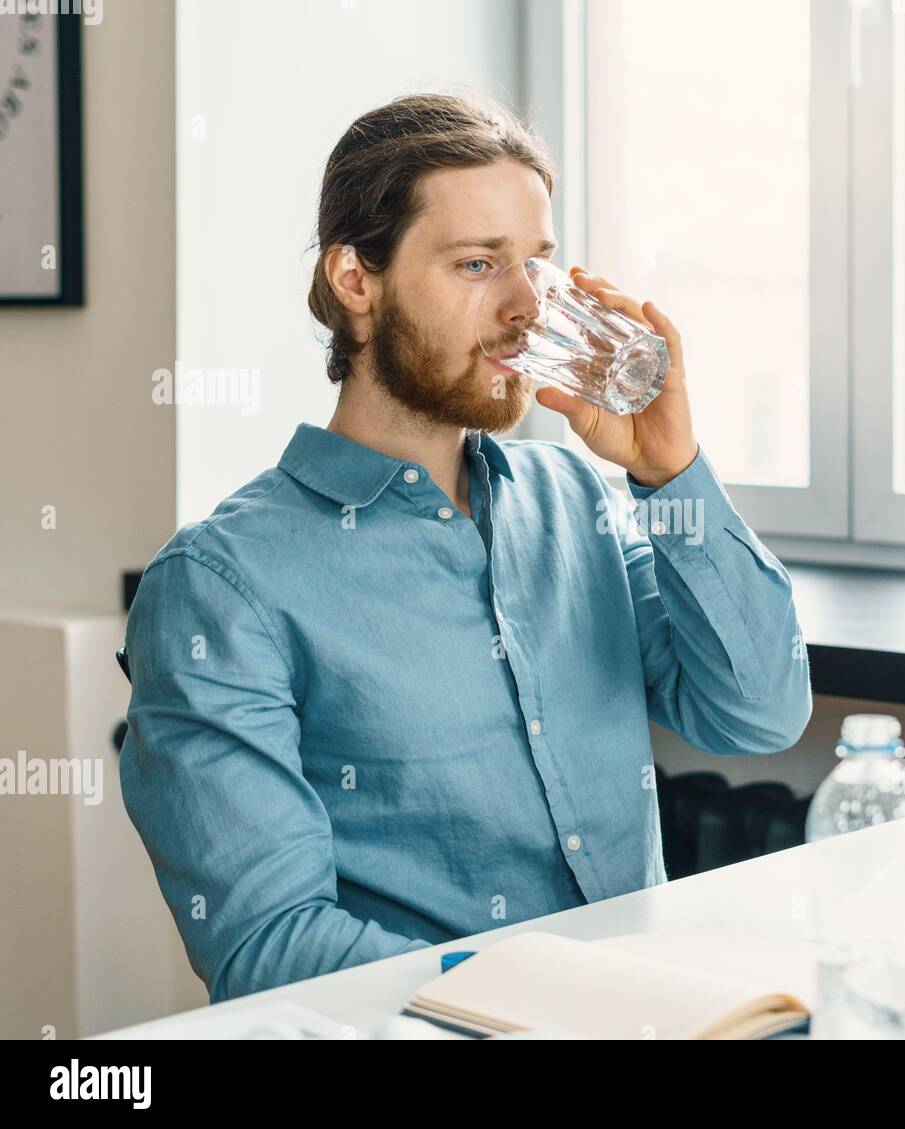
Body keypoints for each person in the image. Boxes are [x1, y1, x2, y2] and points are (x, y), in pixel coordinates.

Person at [120, 92, 812, 1003]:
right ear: (356, 282)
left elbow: (758, 711)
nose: (528, 308)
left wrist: (671, 472)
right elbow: (269, 945)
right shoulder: (222, 586)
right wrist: (563, 999)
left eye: (537, 266)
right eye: (479, 263)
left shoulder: (576, 502)